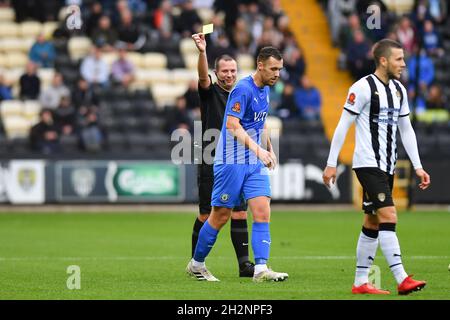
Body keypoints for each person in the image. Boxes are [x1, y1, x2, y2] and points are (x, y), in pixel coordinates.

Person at [322, 39, 431, 295]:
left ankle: (360, 282)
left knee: (372, 221)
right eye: (399, 59)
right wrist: (330, 163)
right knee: (389, 215)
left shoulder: (399, 90)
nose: (403, 64)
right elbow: (342, 126)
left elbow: (406, 129)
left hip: (387, 165)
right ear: (383, 60)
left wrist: (418, 166)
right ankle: (402, 278)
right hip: (367, 163)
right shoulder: (362, 88)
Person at [186, 46, 288, 282]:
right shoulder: (243, 89)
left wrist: (268, 149)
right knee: (219, 216)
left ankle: (261, 270)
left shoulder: (265, 90)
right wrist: (258, 150)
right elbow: (232, 125)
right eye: (273, 68)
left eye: (280, 69)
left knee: (262, 212)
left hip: (253, 162)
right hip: (231, 161)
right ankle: (196, 264)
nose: (277, 74)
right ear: (260, 65)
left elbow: (259, 123)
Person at [188, 32, 255, 278]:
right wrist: (202, 52)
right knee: (208, 214)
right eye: (224, 71)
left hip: (236, 160)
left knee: (238, 212)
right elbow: (202, 77)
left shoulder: (242, 95)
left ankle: (245, 265)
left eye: (232, 71)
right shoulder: (210, 92)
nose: (229, 74)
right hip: (210, 158)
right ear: (217, 74)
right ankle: (196, 263)